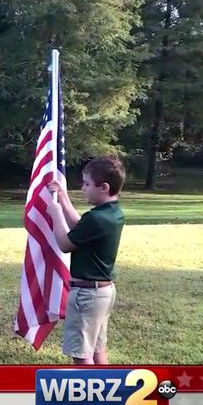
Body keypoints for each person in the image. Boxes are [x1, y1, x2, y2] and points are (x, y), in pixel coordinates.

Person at [47, 157, 126, 366]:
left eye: (87, 184)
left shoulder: (96, 218)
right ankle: (109, 392)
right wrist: (63, 199)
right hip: (103, 292)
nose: (83, 188)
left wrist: (55, 214)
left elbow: (65, 243)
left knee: (82, 355)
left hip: (87, 295)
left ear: (104, 187)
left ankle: (92, 396)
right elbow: (81, 226)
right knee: (97, 349)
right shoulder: (113, 213)